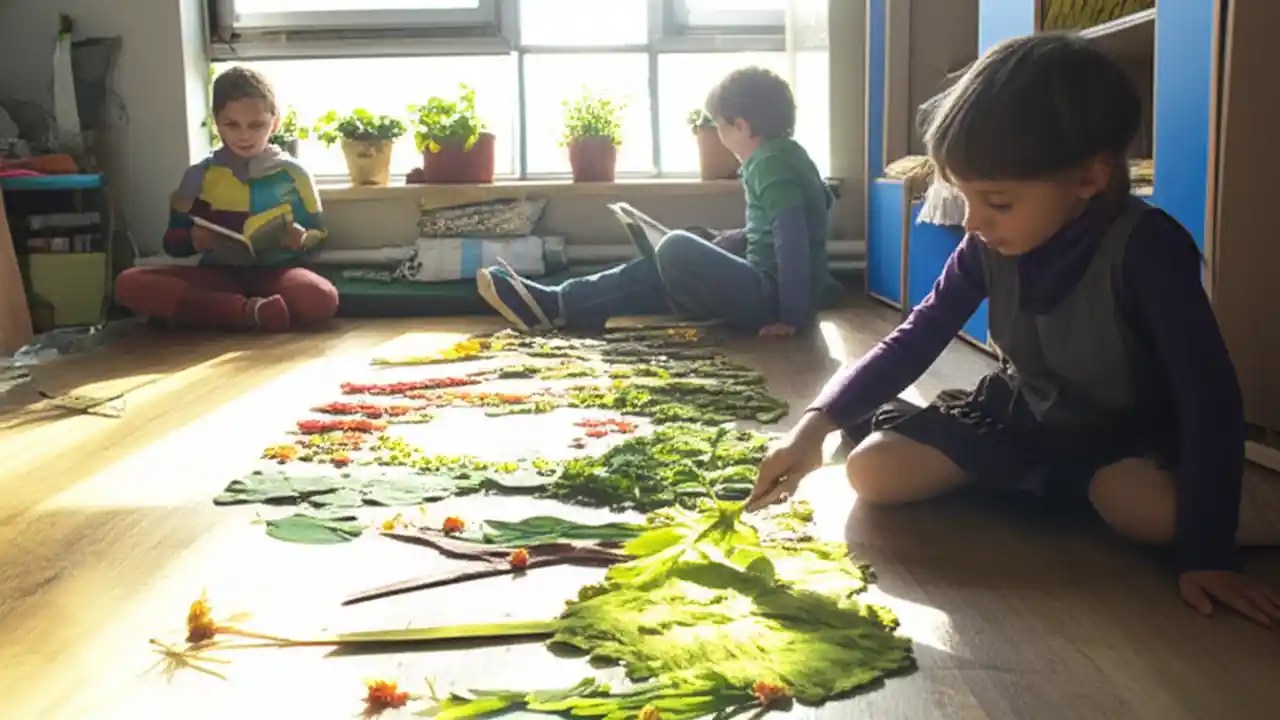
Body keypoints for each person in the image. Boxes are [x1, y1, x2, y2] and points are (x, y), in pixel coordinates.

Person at [749, 35, 1280, 626]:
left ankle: (1076, 490)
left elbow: (1210, 398)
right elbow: (918, 335)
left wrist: (1208, 554)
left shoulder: (1148, 248)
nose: (973, 222)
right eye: (964, 197)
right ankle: (1053, 486)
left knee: (1150, 514)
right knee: (870, 472)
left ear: (1089, 178)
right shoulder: (987, 246)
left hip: (1125, 437)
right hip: (1023, 417)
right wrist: (814, 427)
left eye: (997, 202)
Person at [475, 66, 839, 338]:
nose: (722, 137)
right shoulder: (788, 155)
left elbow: (791, 239)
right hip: (769, 286)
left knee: (677, 248)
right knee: (690, 242)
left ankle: (561, 303)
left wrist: (790, 318)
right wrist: (726, 239)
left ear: (741, 125)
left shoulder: (769, 163)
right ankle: (563, 304)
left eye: (721, 128)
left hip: (768, 299)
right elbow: (800, 217)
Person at [114, 66, 338, 332]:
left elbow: (320, 235)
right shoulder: (198, 176)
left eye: (256, 125)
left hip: (277, 273)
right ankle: (247, 312)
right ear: (216, 123)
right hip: (217, 274)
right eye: (231, 125)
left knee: (320, 298)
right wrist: (193, 240)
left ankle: (222, 311)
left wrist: (302, 240)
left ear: (275, 123)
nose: (244, 135)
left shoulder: (294, 174)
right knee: (128, 283)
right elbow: (173, 243)